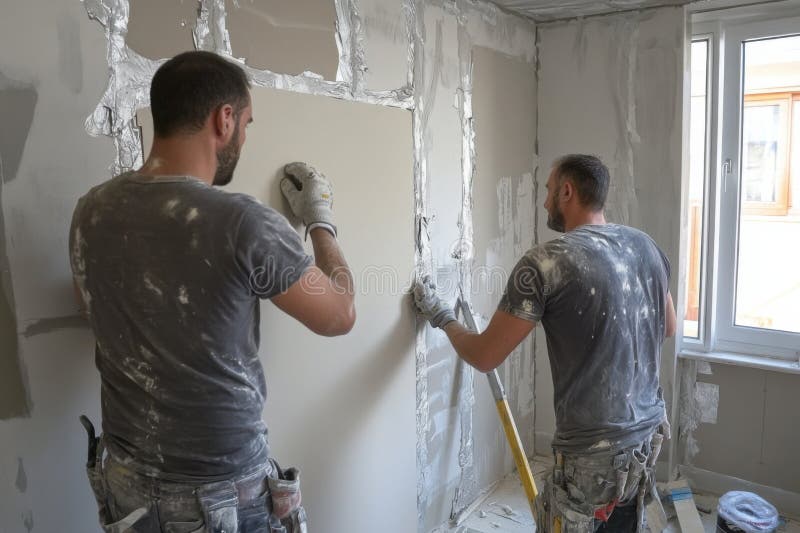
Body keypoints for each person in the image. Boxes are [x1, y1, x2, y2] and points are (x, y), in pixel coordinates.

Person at [69, 50, 355, 533]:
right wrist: (320, 221)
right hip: (218, 495)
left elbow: (91, 307)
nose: (244, 136)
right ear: (224, 119)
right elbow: (339, 314)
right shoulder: (242, 224)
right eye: (246, 122)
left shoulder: (91, 212)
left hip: (126, 485)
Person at [413, 154, 676, 533]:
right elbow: (666, 326)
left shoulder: (546, 262)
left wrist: (442, 317)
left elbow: (485, 356)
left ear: (567, 191)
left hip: (593, 458)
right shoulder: (645, 246)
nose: (544, 201)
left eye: (549, 190)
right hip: (648, 437)